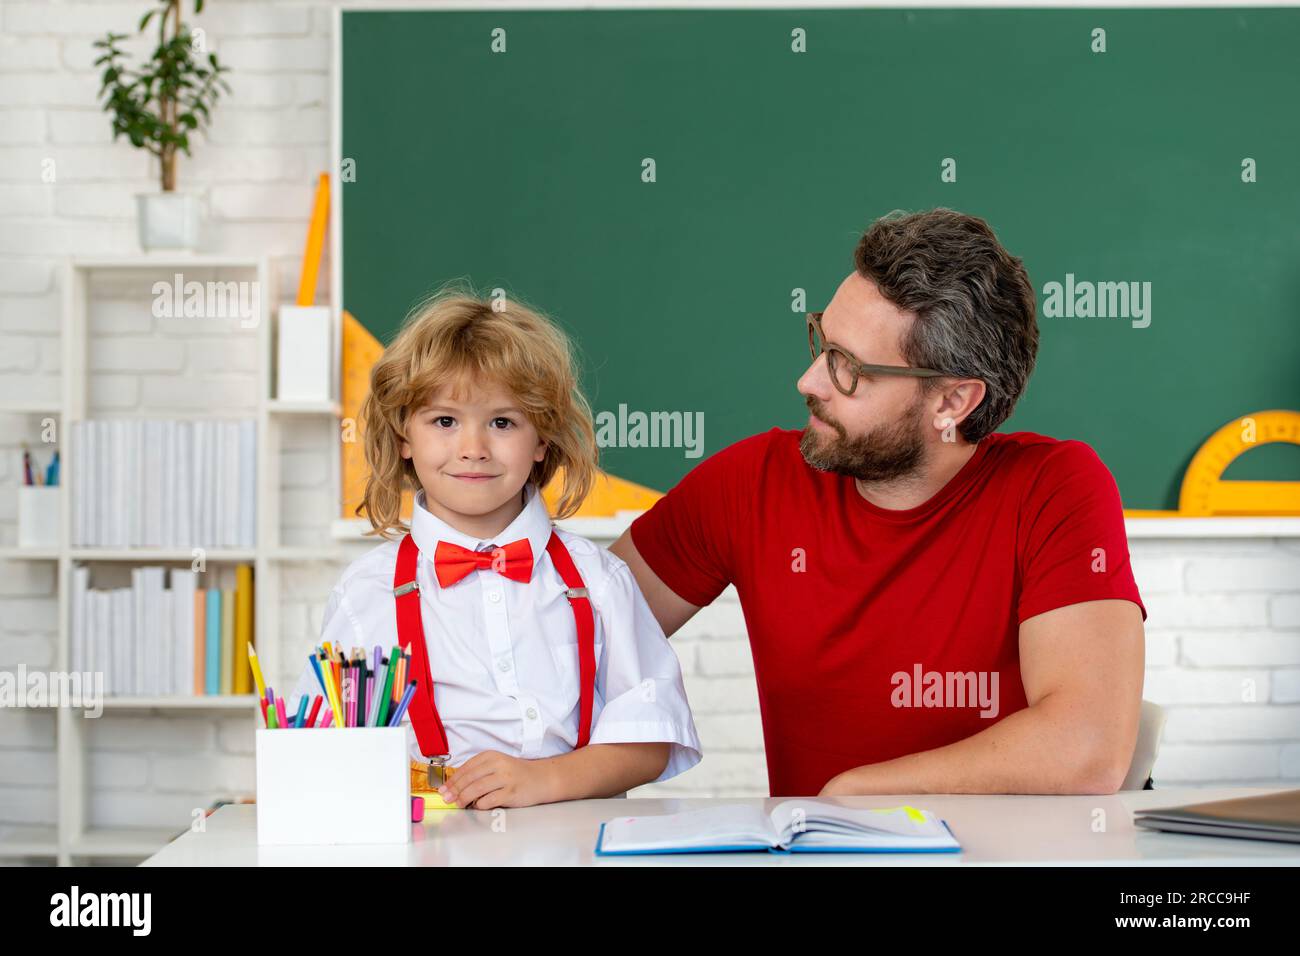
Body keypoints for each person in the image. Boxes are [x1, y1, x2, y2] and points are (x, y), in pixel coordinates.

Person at [290, 287, 700, 809]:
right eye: (444, 421)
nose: (473, 448)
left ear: (542, 440)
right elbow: (319, 745)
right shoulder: (366, 591)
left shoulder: (599, 579)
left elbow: (650, 741)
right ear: (403, 438)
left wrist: (546, 780)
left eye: (502, 422)